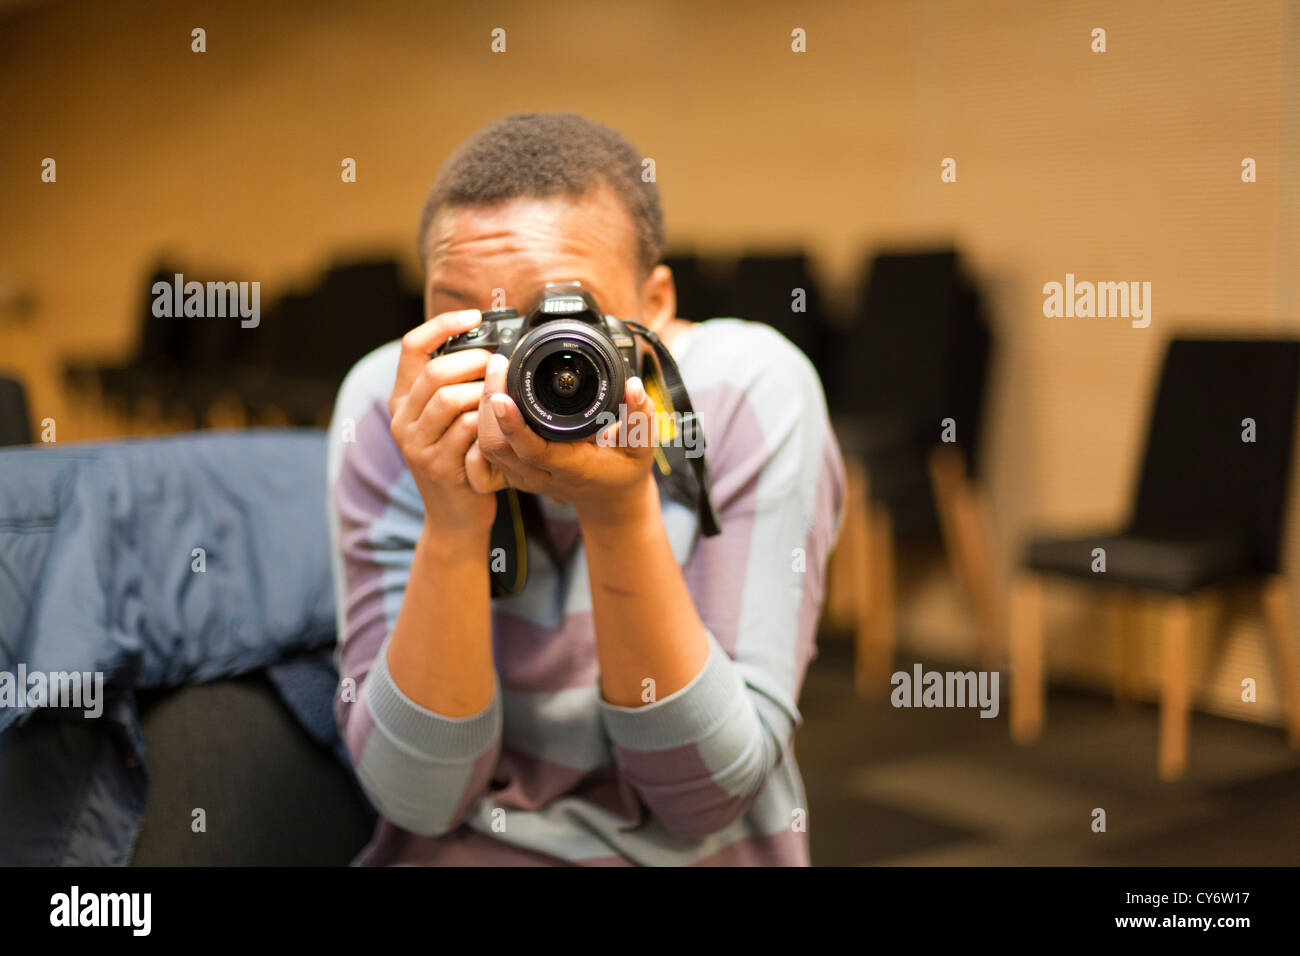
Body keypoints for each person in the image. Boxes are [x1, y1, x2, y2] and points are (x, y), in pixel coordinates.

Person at [326, 111, 845, 865]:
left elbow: (703, 798)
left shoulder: (750, 392)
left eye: (560, 319)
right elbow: (420, 799)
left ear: (656, 306)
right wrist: (454, 525)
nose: (516, 366)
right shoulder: (393, 404)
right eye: (468, 321)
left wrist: (618, 514)